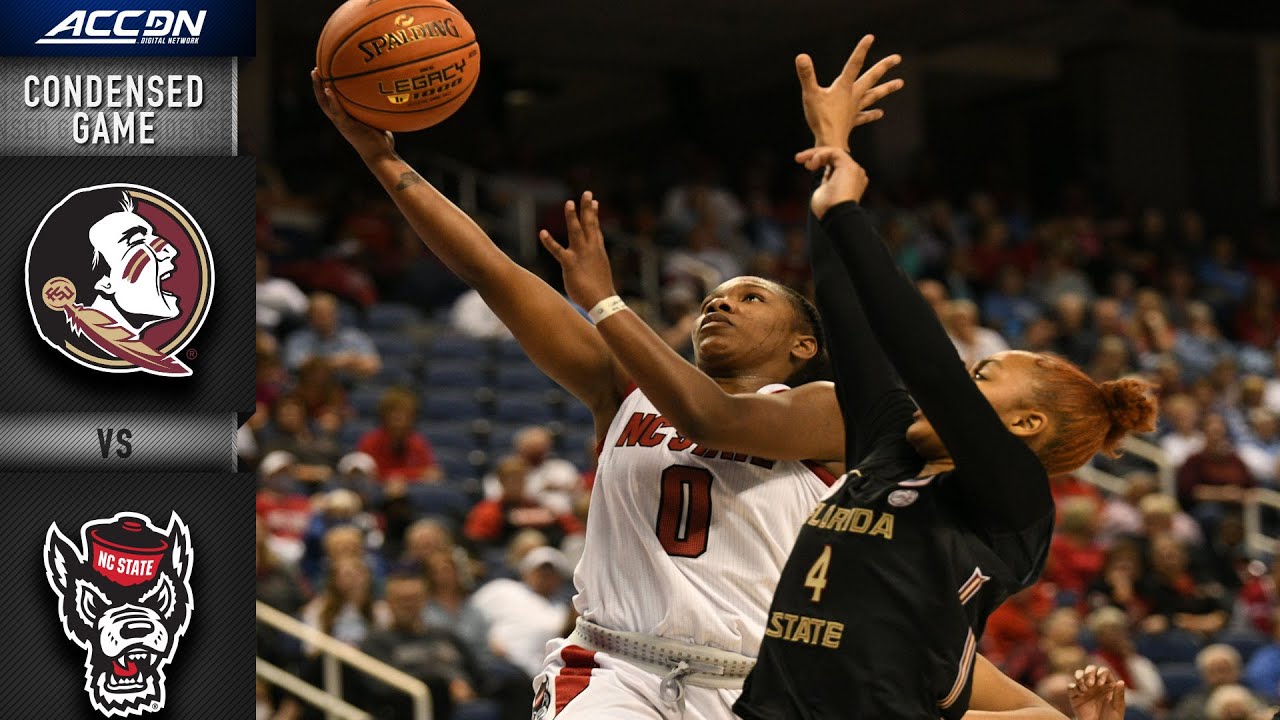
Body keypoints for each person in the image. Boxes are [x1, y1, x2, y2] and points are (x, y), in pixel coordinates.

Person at [314, 40, 1077, 720]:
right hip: (614, 667)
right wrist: (385, 163)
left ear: (804, 344)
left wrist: (608, 304)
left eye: (751, 298)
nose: (721, 302)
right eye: (715, 296)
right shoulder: (623, 390)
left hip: (753, 687)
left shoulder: (829, 414)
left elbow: (715, 420)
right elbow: (492, 271)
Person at [733, 54, 1156, 719]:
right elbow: (845, 310)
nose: (961, 377)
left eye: (982, 375)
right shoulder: (889, 448)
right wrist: (832, 159)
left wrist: (848, 213)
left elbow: (927, 363)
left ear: (1024, 425)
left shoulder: (1012, 499)